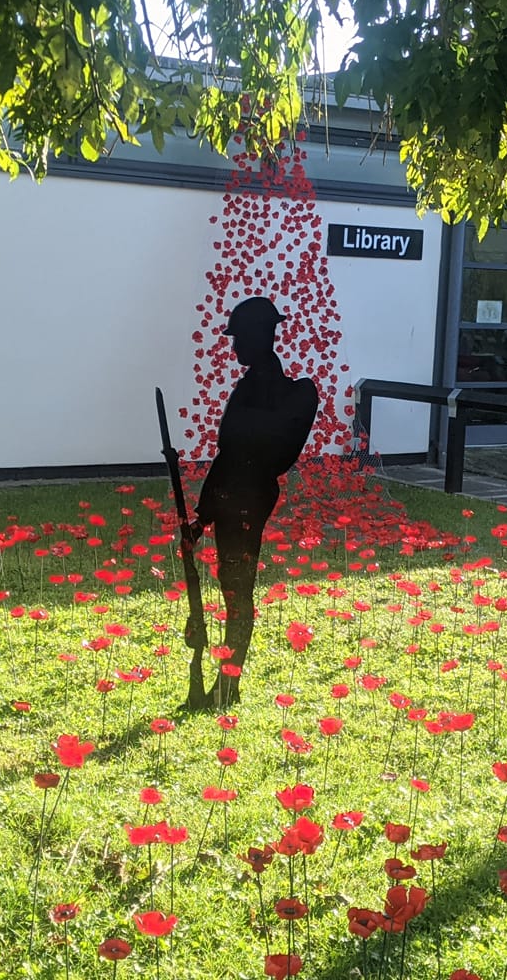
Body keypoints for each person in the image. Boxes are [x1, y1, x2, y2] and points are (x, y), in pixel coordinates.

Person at [192, 296, 318, 707]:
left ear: (262, 336)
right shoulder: (251, 385)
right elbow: (228, 455)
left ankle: (229, 683)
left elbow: (252, 454)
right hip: (230, 496)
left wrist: (210, 509)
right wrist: (203, 514)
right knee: (232, 587)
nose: (234, 346)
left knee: (237, 591)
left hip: (247, 499)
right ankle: (225, 681)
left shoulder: (278, 391)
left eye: (240, 337)